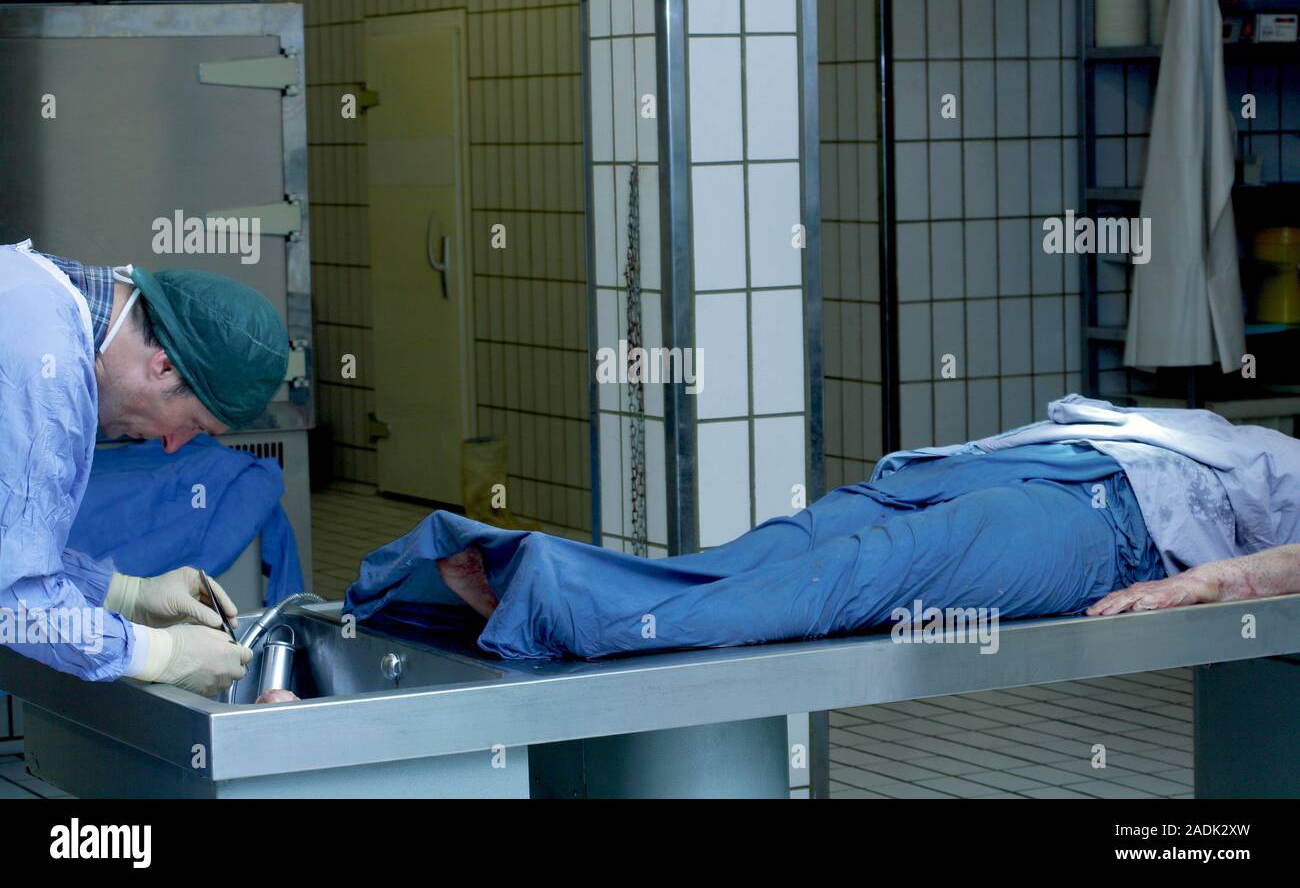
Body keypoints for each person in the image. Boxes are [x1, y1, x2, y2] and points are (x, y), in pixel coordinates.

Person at [347, 395, 1300, 660]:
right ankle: (533, 580)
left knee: (866, 573)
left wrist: (1215, 585)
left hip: (1118, 530)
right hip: (1055, 456)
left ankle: (565, 610)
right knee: (795, 538)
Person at [0, 239, 289, 693]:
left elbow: (7, 549)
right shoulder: (47, 372)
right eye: (194, 424)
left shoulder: (34, 296)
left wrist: (123, 593)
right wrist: (158, 653)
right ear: (166, 367)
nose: (173, 446)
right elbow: (14, 603)